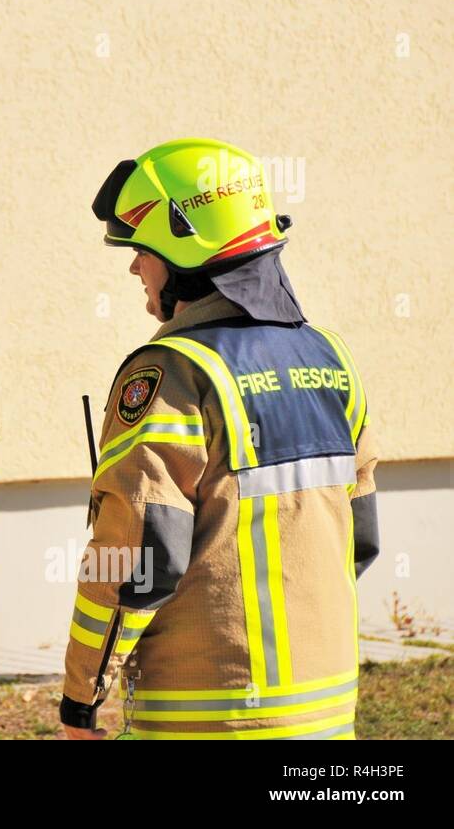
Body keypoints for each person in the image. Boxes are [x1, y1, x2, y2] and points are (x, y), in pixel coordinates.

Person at [61, 138, 379, 740]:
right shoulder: (332, 359)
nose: (134, 268)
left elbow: (135, 561)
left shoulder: (172, 371)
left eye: (142, 251)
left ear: (184, 251)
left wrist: (82, 698)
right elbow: (358, 541)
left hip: (209, 716)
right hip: (328, 717)